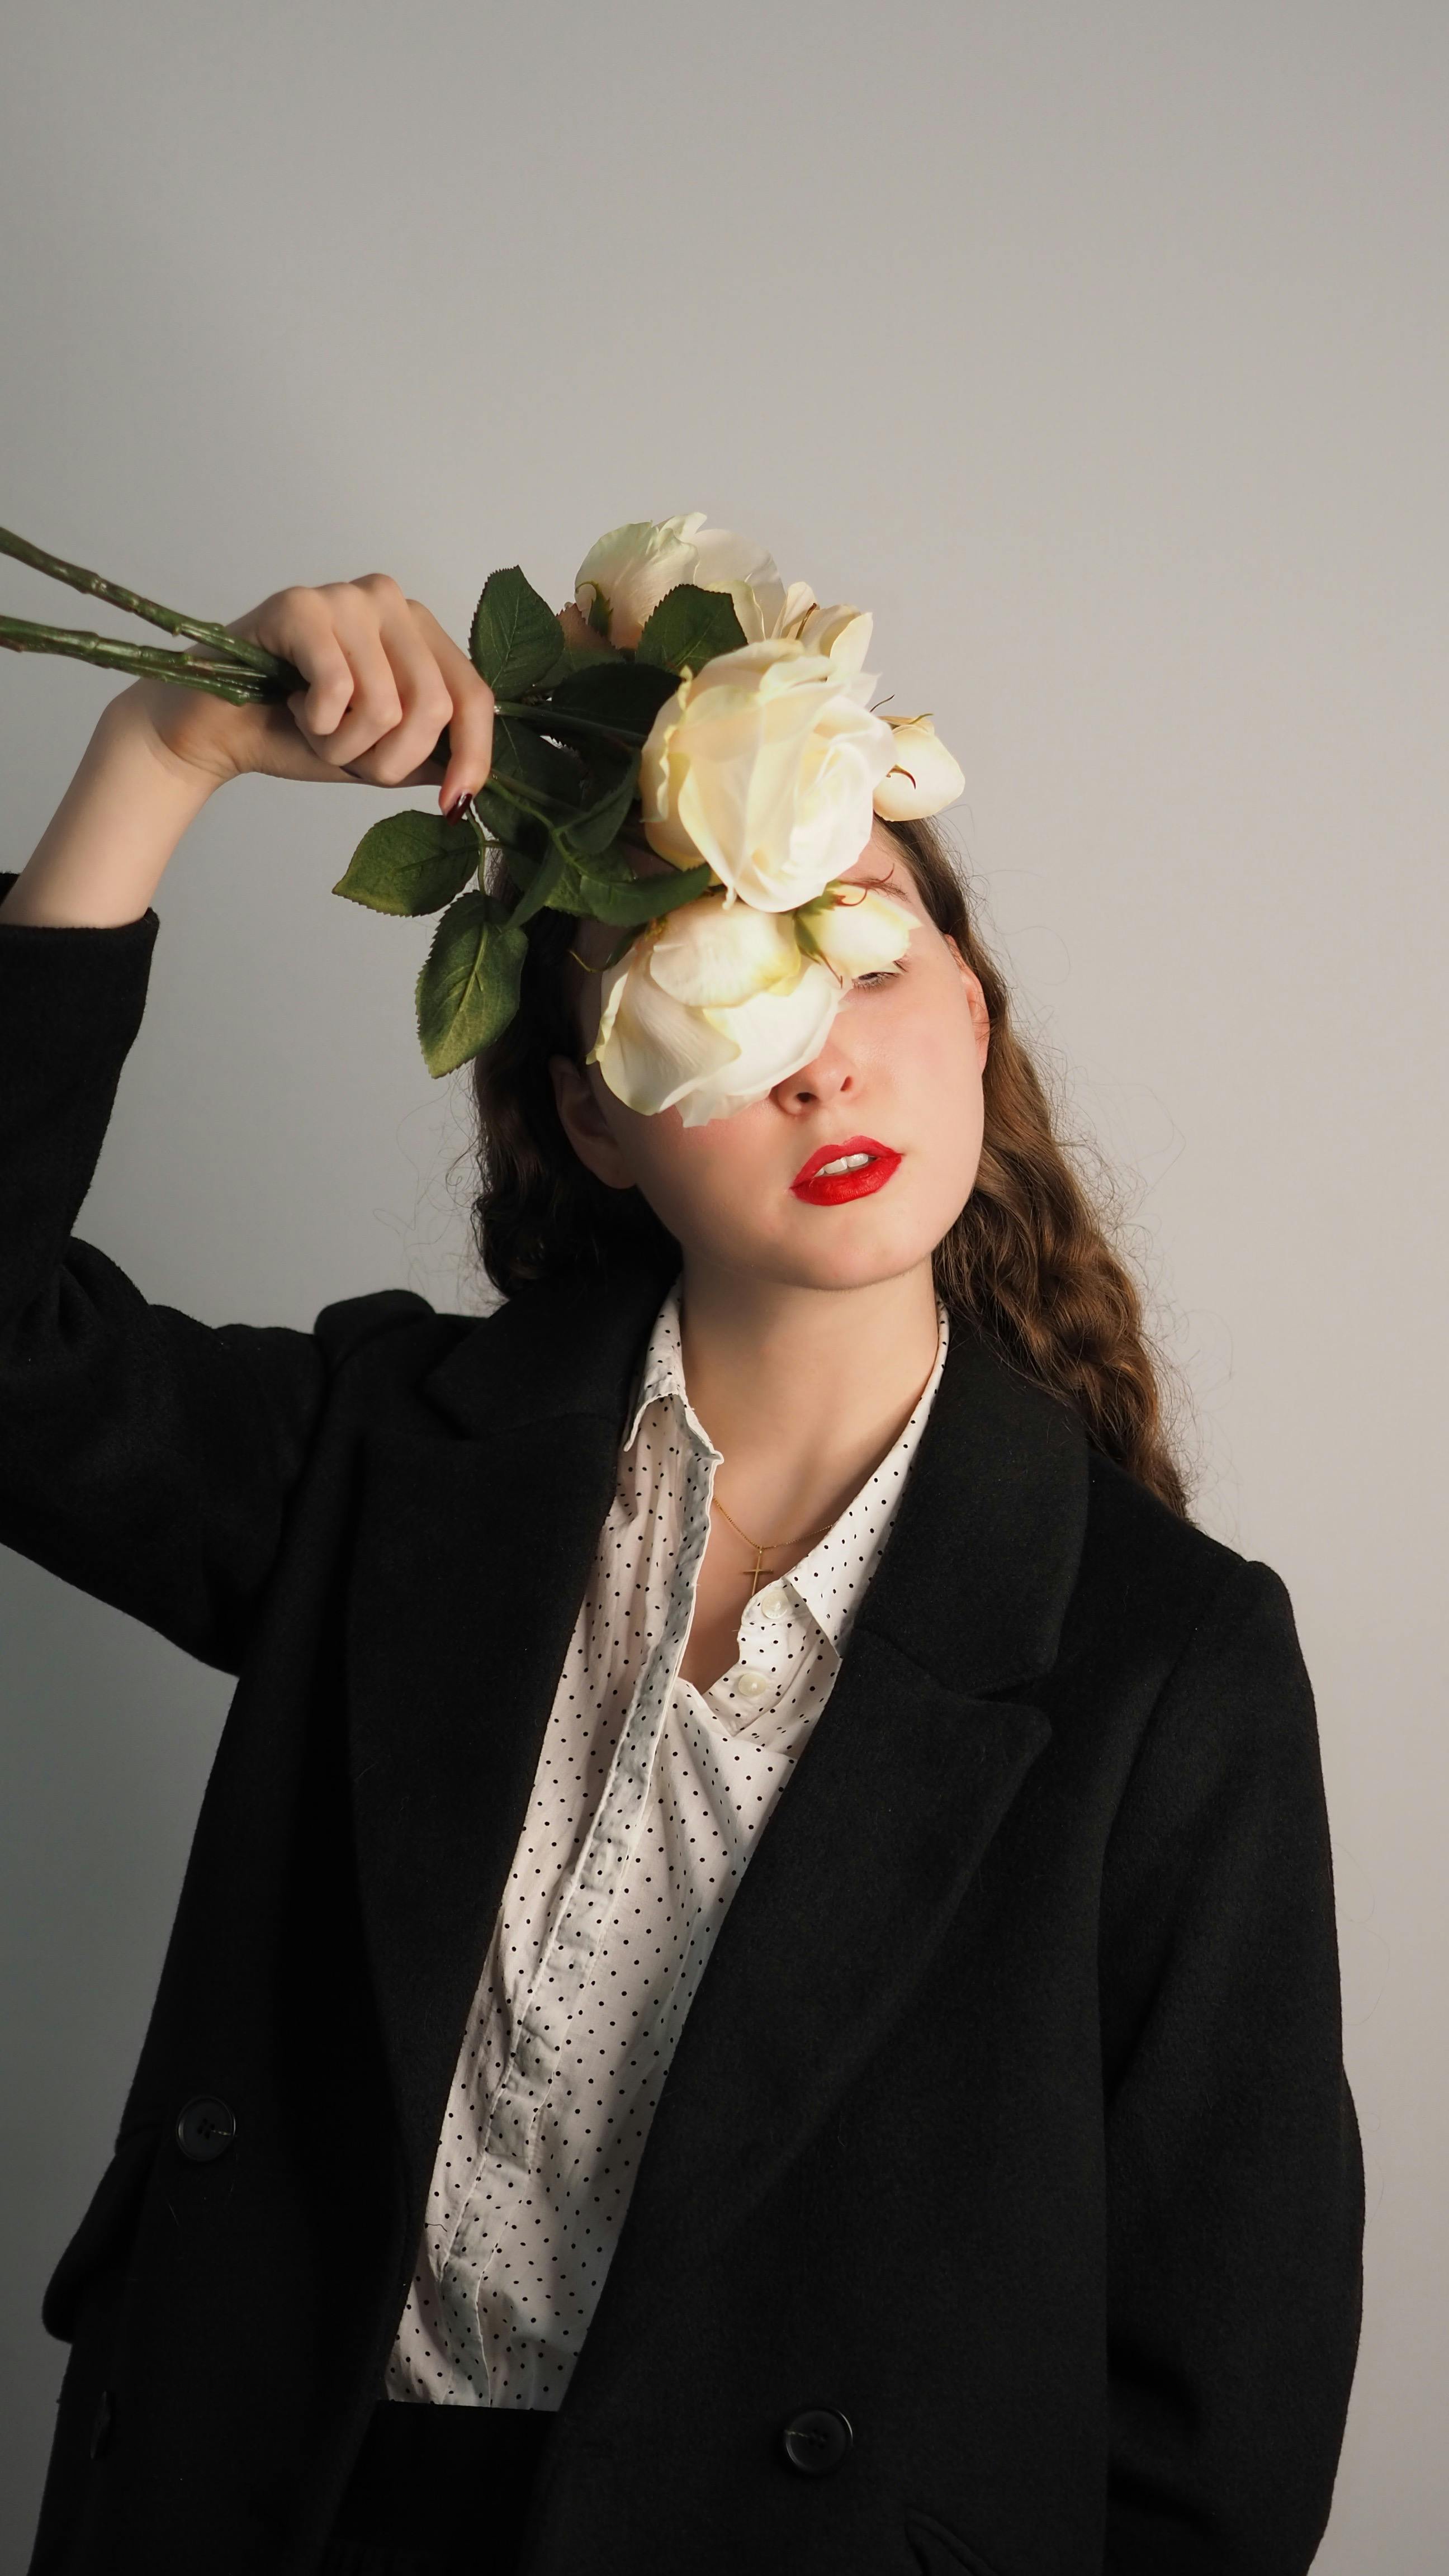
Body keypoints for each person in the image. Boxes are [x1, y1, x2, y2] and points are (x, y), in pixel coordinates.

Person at [2, 564, 1363, 2576]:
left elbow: (1219, 2422)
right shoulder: (398, 1460)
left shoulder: (1167, 1657)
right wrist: (165, 750)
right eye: (717, 983)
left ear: (974, 1013)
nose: (817, 1059)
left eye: (867, 957)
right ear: (598, 1118)